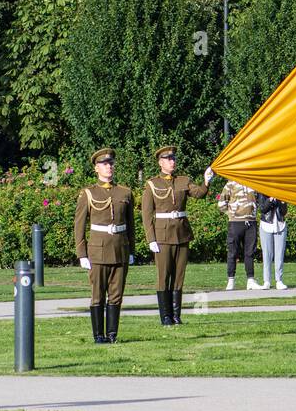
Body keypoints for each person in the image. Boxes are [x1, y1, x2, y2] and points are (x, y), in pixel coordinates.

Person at [141, 146, 213, 326]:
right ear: (160, 162)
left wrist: (206, 181)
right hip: (162, 236)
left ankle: (176, 315)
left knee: (179, 276)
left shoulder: (183, 180)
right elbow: (147, 215)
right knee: (163, 276)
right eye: (168, 159)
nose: (172, 161)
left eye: (173, 158)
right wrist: (151, 239)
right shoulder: (152, 184)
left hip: (181, 234)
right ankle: (165, 316)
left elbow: (199, 194)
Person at [73, 148, 134, 344]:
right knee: (98, 294)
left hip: (120, 248)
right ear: (96, 168)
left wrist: (131, 250)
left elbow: (131, 225)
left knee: (116, 294)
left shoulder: (125, 192)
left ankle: (112, 334)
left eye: (111, 163)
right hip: (97, 251)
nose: (109, 167)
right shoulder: (88, 193)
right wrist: (82, 253)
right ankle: (98, 335)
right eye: (104, 164)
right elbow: (79, 225)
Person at [218, 178, 261, 290]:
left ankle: (250, 280)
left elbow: (259, 200)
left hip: (251, 222)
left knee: (250, 252)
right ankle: (231, 280)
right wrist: (231, 215)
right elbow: (221, 203)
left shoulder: (254, 182)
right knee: (233, 252)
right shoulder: (231, 183)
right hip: (235, 223)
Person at [257, 192, 290, 292]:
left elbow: (284, 212)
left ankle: (279, 280)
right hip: (266, 225)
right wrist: (270, 199)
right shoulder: (262, 192)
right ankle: (266, 281)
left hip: (280, 225)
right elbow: (263, 209)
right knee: (267, 254)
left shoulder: (282, 193)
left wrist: (282, 202)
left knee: (279, 255)